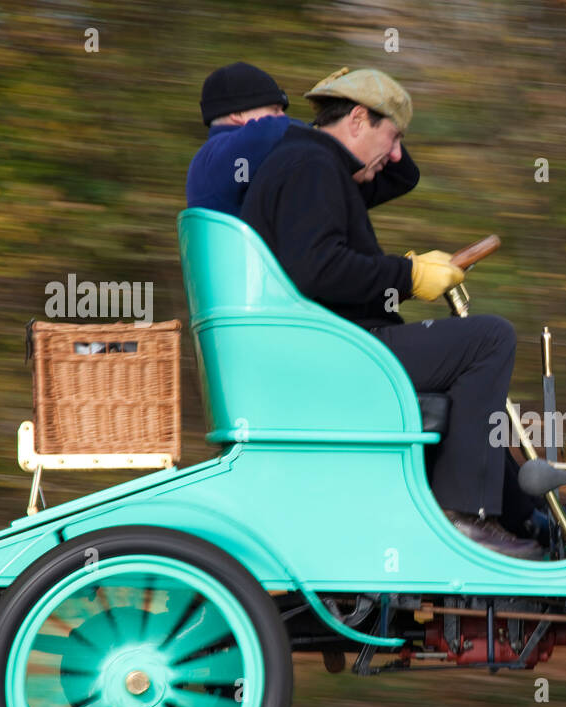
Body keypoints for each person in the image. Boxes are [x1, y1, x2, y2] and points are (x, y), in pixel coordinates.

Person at [239, 67, 543, 559]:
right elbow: (316, 270)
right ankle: (463, 519)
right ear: (357, 118)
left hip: (330, 345)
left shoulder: (317, 163)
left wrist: (376, 134)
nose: (397, 153)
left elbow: (403, 175)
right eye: (394, 135)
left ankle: (529, 517)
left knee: (464, 378)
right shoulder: (310, 167)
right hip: (340, 350)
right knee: (489, 338)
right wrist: (408, 276)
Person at [186, 62, 295, 216]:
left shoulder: (223, 158)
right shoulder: (231, 149)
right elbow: (265, 132)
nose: (283, 117)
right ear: (238, 113)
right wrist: (321, 131)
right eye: (275, 110)